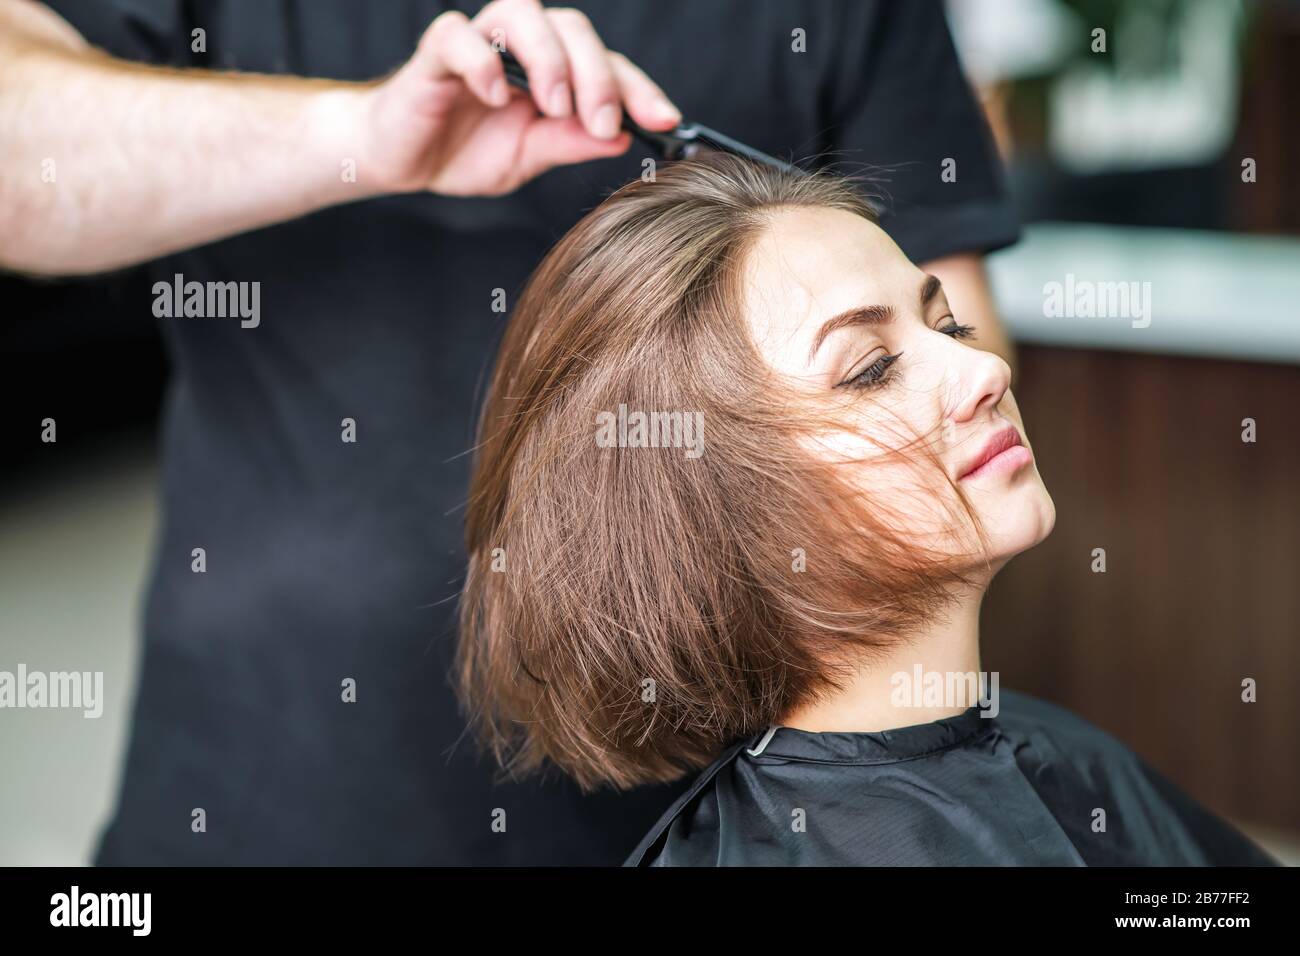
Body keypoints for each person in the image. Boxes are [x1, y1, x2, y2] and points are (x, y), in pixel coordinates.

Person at [0, 0, 1020, 864]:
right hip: (271, 774)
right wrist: (363, 135)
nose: (986, 375)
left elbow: (945, 371)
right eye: (868, 360)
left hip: (718, 794)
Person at [458, 152, 1278, 867]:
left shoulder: (1052, 755)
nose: (983, 368)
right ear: (707, 505)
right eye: (871, 369)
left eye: (947, 324)